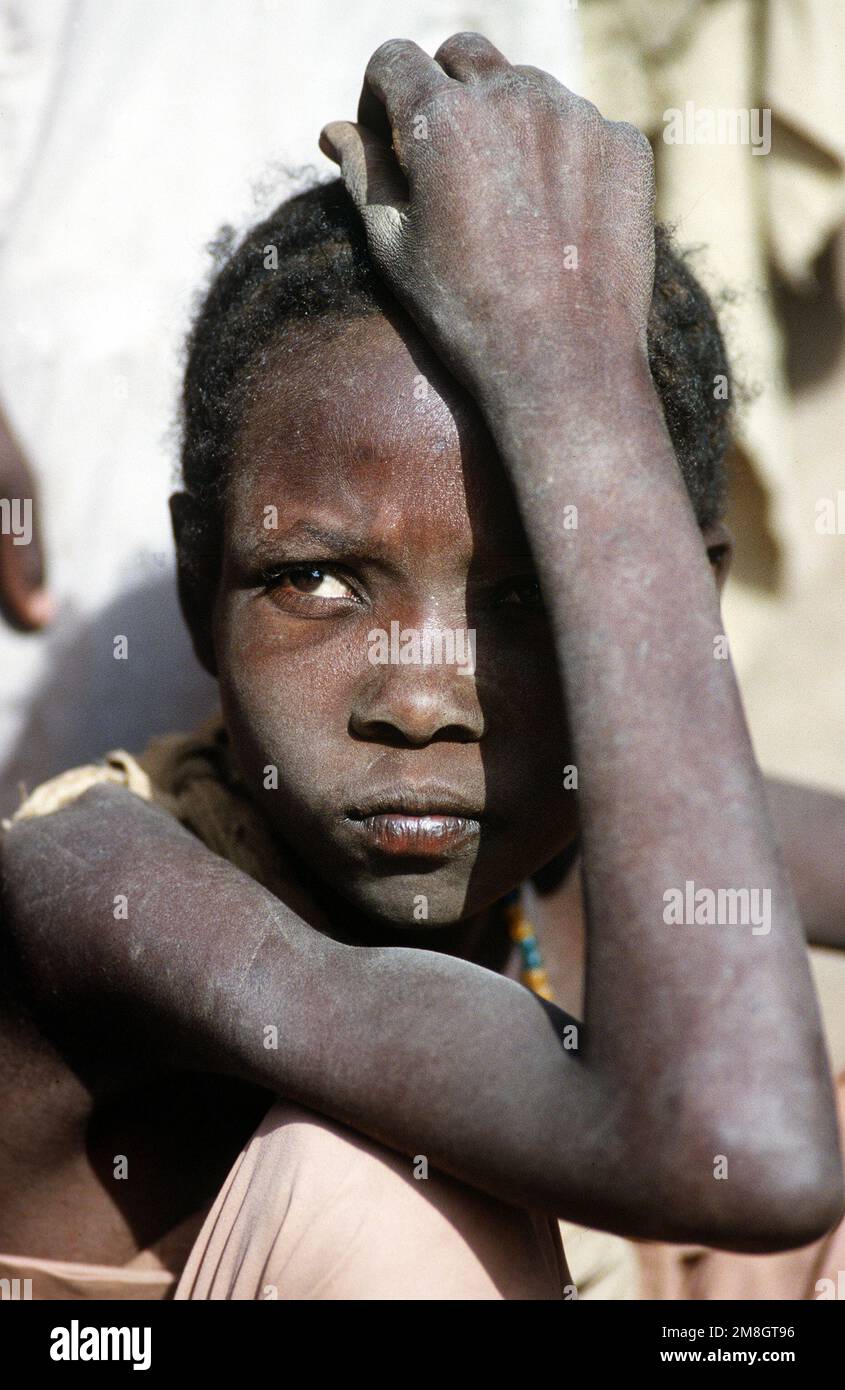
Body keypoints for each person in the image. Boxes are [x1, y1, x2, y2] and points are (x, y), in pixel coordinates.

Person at [1, 33, 843, 1301]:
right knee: (395, 1189)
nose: (417, 698)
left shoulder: (578, 836)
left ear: (666, 609)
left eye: (529, 600)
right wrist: (569, 383)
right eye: (318, 580)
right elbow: (748, 1151)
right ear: (197, 583)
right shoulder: (103, 891)